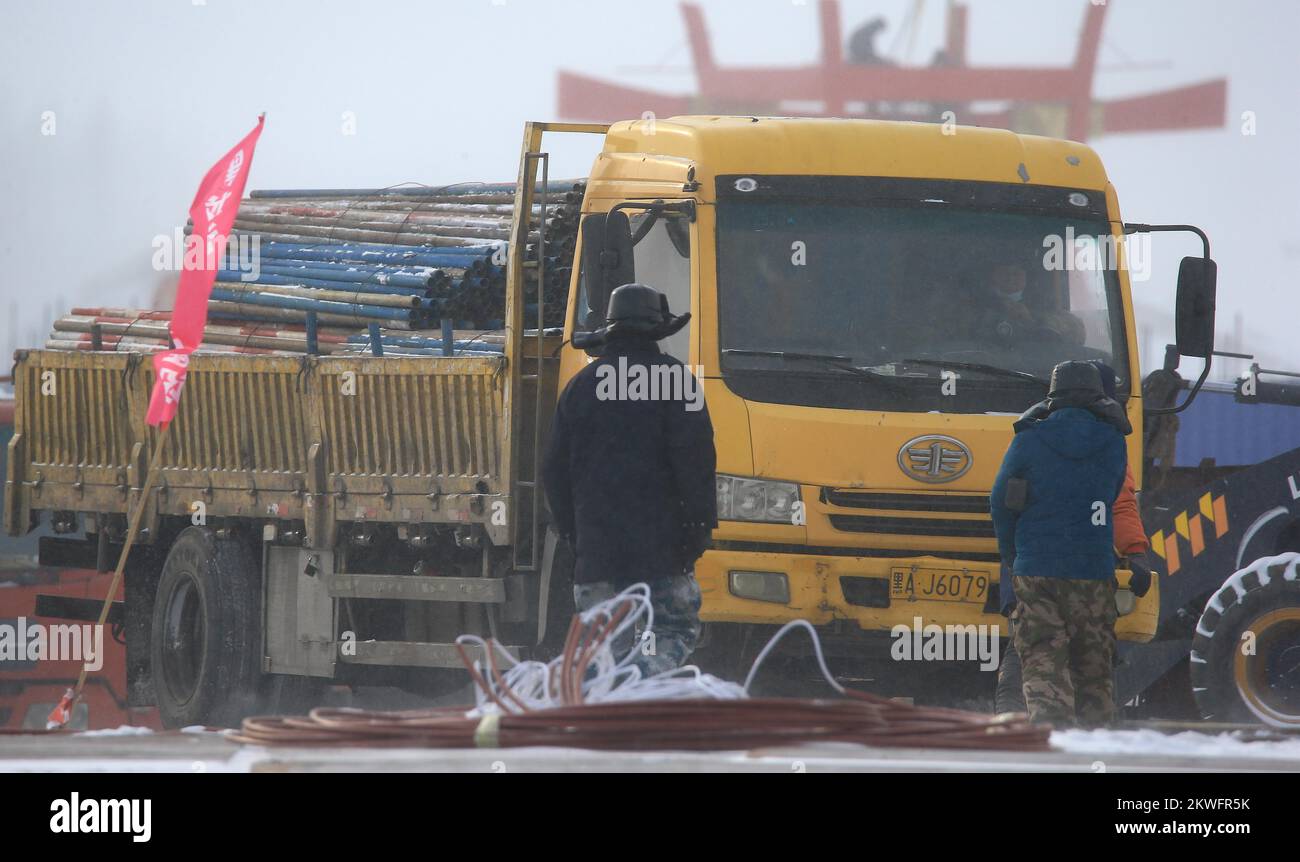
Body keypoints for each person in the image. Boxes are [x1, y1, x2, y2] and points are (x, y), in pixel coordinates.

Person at [542, 283, 717, 677]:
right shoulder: (677, 382)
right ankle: (637, 685)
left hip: (598, 554)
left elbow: (553, 470)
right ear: (657, 331)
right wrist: (698, 531)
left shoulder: (580, 387)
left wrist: (574, 535)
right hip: (664, 554)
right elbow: (697, 464)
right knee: (674, 630)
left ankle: (605, 698)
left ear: (610, 330)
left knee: (600, 650)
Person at [990, 360, 1128, 726]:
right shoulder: (1114, 442)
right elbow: (1113, 494)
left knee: (1043, 656)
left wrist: (1012, 554)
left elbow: (1000, 501)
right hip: (1093, 569)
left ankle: (1053, 734)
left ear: (1052, 396)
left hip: (1037, 569)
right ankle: (1095, 739)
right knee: (1094, 664)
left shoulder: (1027, 439)